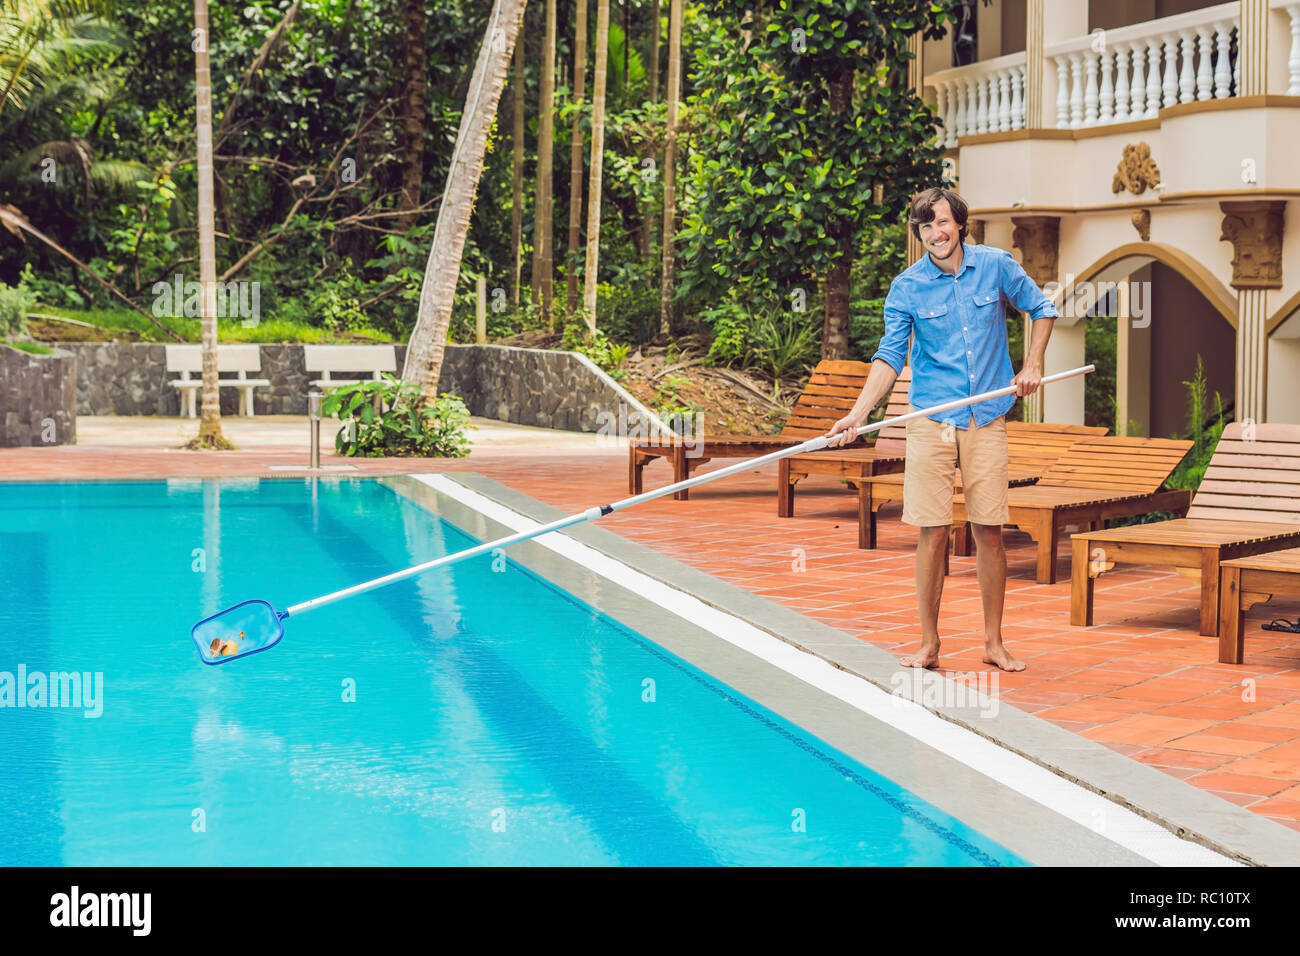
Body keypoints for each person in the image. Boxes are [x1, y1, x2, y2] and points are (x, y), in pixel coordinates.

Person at [825, 187, 1058, 672]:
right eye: (926, 226)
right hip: (931, 419)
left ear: (960, 224)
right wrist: (859, 413)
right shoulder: (907, 287)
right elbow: (890, 356)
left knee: (989, 531)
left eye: (943, 222)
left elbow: (1042, 309)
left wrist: (1032, 364)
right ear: (919, 233)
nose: (936, 233)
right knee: (931, 532)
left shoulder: (995, 266)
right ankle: (929, 644)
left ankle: (993, 643)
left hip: (987, 416)